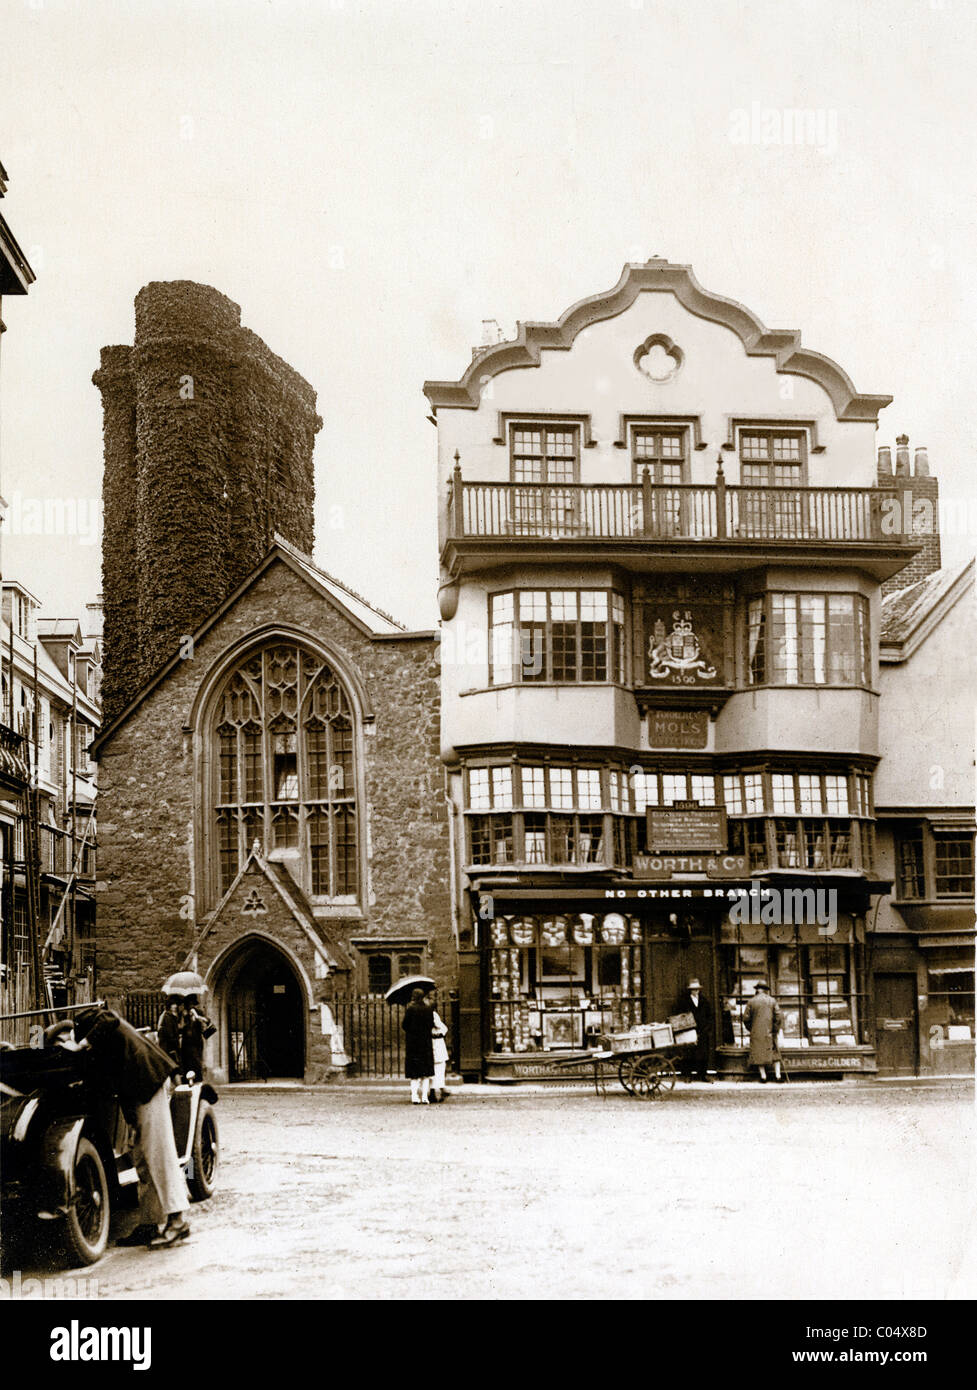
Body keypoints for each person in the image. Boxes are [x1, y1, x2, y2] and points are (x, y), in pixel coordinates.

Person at [72, 1004, 192, 1247]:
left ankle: (178, 1221)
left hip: (148, 1084)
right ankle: (149, 1223)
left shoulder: (102, 1020)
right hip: (139, 1091)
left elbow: (108, 1018)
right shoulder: (107, 1040)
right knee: (142, 1159)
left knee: (158, 1155)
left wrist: (83, 1043)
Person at [743, 980, 785, 1083]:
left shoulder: (751, 1002)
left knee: (758, 1053)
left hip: (756, 1033)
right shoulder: (772, 1001)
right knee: (775, 1054)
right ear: (765, 990)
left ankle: (763, 1076)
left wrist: (752, 1029)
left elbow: (746, 1019)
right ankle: (778, 1075)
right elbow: (778, 1016)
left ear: (757, 990)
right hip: (770, 1032)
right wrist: (775, 1029)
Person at [677, 976, 714, 1083]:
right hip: (689, 1030)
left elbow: (709, 1016)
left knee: (703, 1053)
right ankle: (688, 1075)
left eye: (697, 989)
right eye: (693, 989)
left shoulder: (704, 1001)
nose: (695, 991)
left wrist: (707, 1028)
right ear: (690, 990)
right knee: (689, 1053)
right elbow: (681, 1016)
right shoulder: (684, 1001)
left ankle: (703, 1074)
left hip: (702, 1030)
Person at [402, 987, 435, 1104]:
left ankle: (414, 1096)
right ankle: (425, 1097)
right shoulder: (428, 1009)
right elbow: (431, 1024)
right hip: (425, 1043)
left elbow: (404, 1025)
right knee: (426, 1073)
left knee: (414, 1074)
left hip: (413, 1044)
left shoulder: (410, 1009)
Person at [424, 987, 450, 1102]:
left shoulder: (421, 1013)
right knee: (439, 1067)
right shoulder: (433, 1015)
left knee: (432, 1068)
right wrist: (441, 1032)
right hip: (436, 1042)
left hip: (428, 1043)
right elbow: (443, 1028)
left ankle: (437, 1090)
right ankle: (436, 1091)